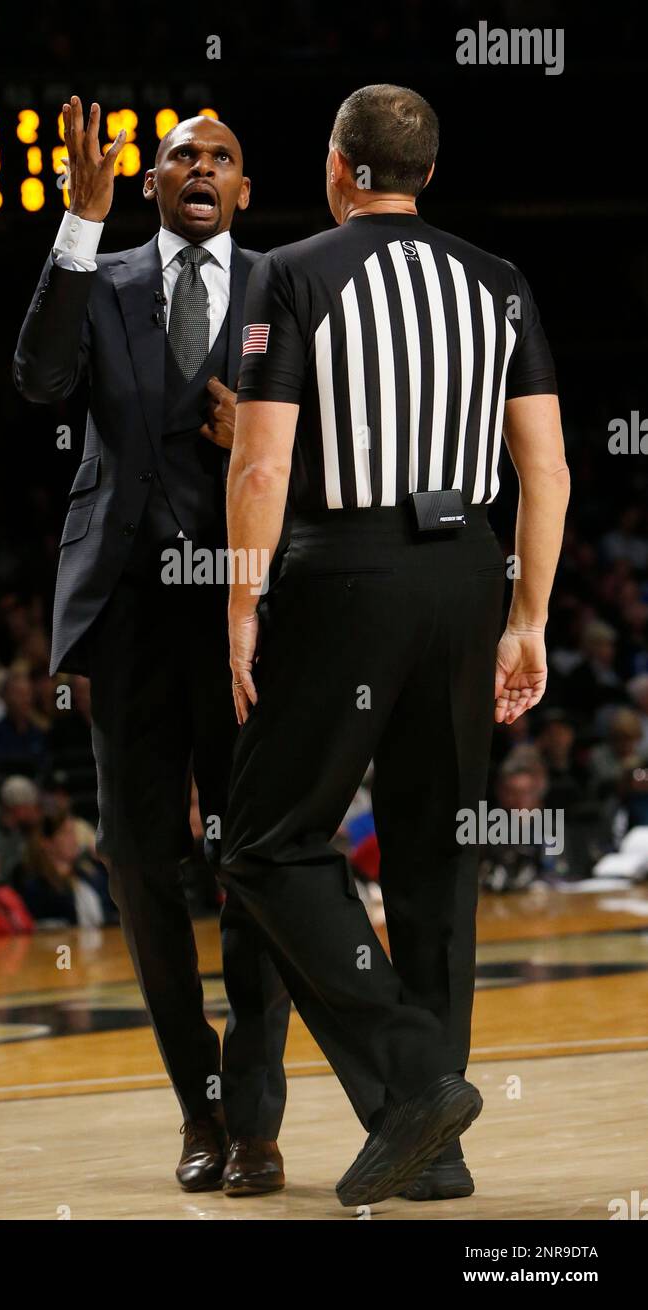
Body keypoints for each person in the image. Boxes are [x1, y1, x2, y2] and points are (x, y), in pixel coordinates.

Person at [219, 83, 569, 1207]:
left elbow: (262, 465)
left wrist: (238, 601)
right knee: (433, 857)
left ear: (336, 166)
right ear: (427, 172)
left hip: (348, 572)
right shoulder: (498, 281)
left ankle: (413, 1084)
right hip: (468, 573)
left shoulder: (290, 272)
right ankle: (439, 1151)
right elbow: (547, 472)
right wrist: (528, 619)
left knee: (268, 838)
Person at [14, 98, 291, 1194]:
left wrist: (263, 442)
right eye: (182, 154)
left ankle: (259, 1121)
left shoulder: (284, 283)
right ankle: (201, 1108)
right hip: (127, 612)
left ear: (243, 190)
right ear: (148, 183)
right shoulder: (107, 277)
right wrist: (73, 229)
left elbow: (327, 435)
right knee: (138, 865)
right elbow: (38, 379)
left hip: (241, 605)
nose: (202, 167)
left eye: (223, 156)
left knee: (254, 867)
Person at [15, 809, 115, 927]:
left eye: (73, 832)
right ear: (46, 843)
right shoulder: (37, 884)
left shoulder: (87, 873)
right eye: (65, 833)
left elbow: (111, 908)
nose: (74, 839)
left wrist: (104, 862)